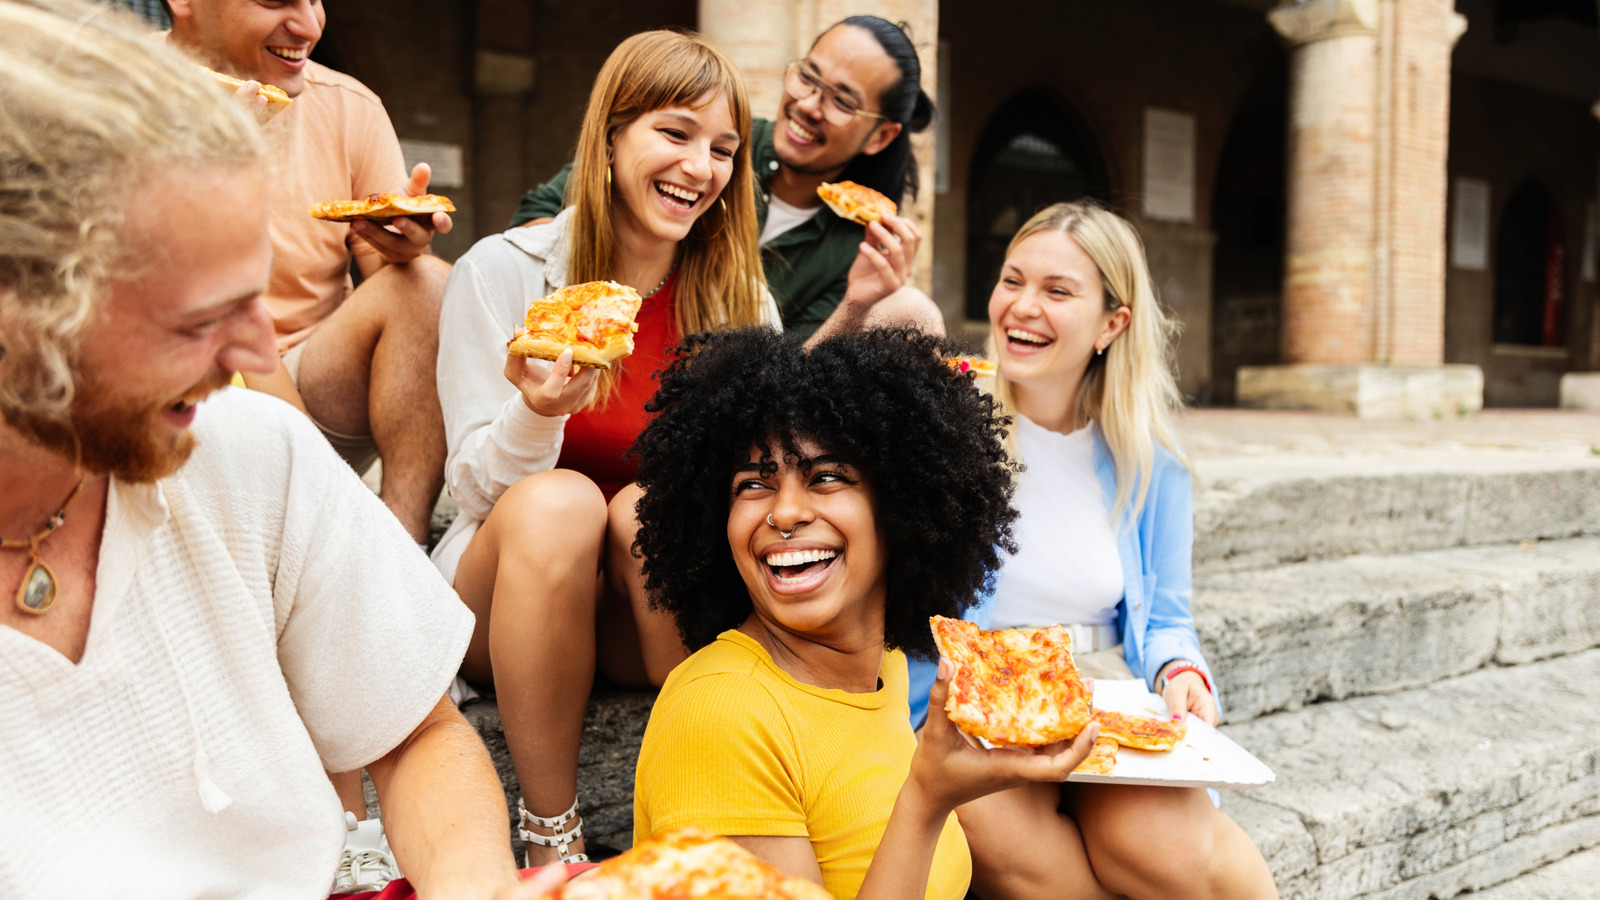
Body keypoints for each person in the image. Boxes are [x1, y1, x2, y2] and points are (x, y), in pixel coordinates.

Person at [0, 3, 549, 897]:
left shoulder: (250, 448)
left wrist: (478, 887)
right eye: (198, 320)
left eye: (255, 296)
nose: (261, 360)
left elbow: (418, 738)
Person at [434, 28, 919, 867]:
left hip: (634, 608)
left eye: (725, 148)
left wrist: (860, 309)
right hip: (501, 587)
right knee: (563, 502)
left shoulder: (738, 302)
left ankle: (722, 799)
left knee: (644, 506)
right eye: (675, 133)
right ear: (612, 134)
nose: (701, 166)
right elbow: (470, 491)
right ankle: (552, 839)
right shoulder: (502, 272)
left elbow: (760, 476)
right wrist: (536, 414)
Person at [625, 327, 1103, 899]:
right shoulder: (719, 715)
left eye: (825, 477)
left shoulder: (888, 667)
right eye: (754, 483)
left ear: (900, 507)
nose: (786, 513)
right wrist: (926, 800)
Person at [917, 202, 1278, 900]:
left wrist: (1181, 669)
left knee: (1166, 853)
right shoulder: (945, 423)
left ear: (1113, 323)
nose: (1022, 308)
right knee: (1001, 839)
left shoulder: (1152, 463)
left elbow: (1168, 616)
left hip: (1104, 685)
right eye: (1012, 280)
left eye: (1057, 291)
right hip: (974, 695)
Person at [164, 0, 451, 548]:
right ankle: (336, 519)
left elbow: (394, 278)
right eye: (275, 1)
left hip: (310, 377)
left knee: (429, 281)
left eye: (315, 0)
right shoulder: (105, 95)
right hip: (184, 375)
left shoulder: (351, 106)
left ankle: (399, 545)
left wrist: (397, 244)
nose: (310, 26)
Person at [513, 16, 944, 340]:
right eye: (807, 77)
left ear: (882, 135)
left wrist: (857, 304)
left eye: (842, 101)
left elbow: (789, 371)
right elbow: (540, 212)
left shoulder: (858, 250)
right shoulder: (714, 139)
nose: (809, 105)